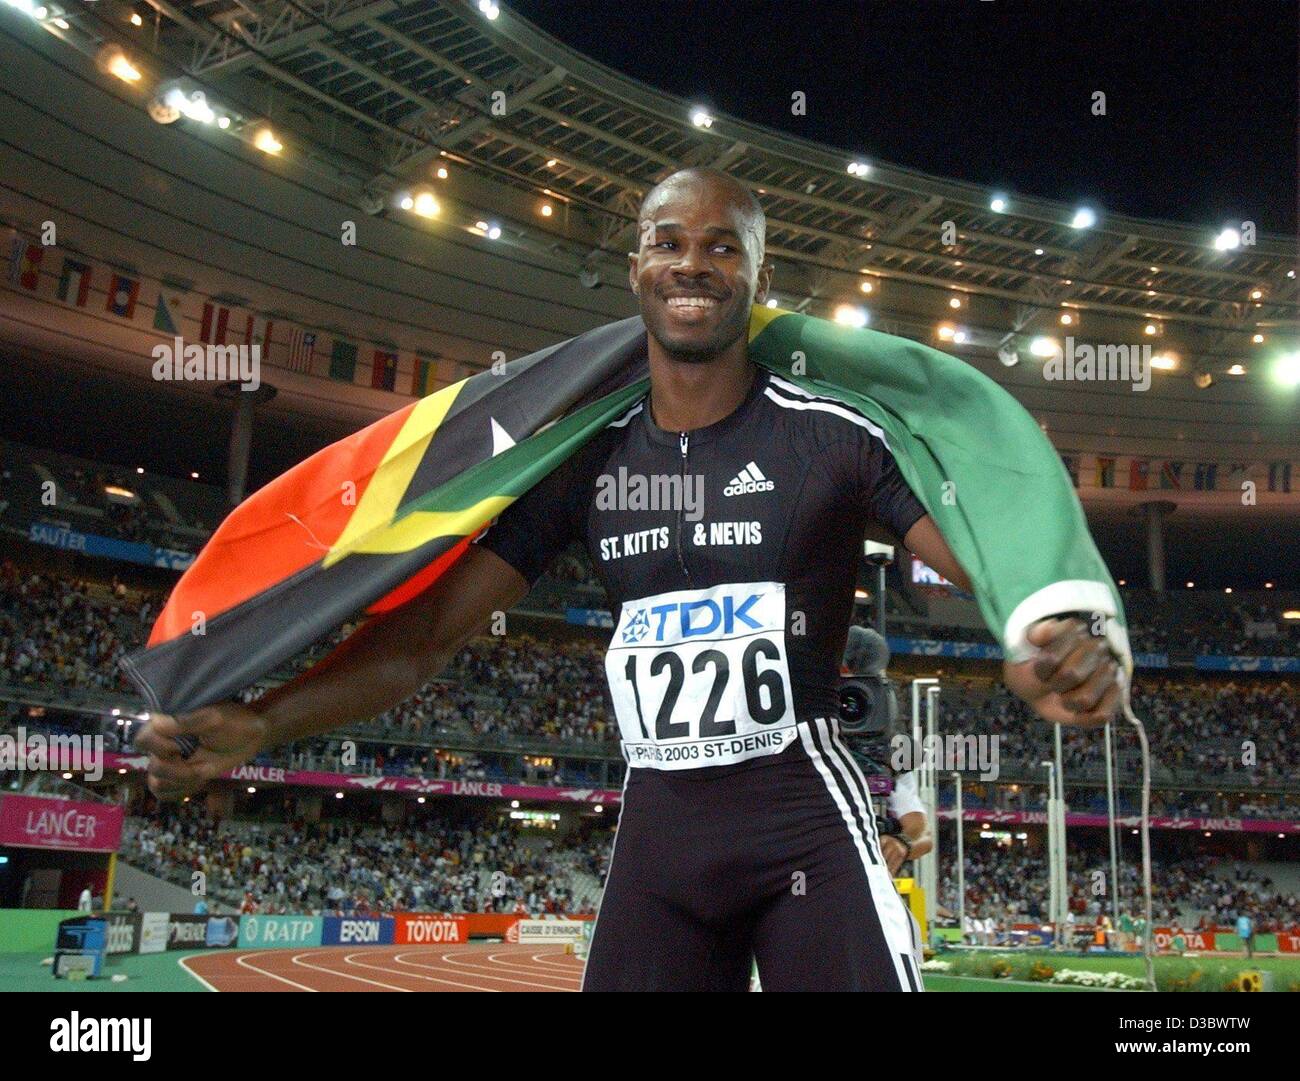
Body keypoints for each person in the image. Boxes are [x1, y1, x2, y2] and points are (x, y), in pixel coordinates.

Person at [135, 167, 1124, 992]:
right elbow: (423, 639)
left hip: (806, 835)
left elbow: (981, 555)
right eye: (668, 240)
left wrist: (1042, 629)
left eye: (722, 245)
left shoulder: (829, 438)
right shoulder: (582, 461)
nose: (692, 261)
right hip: (657, 849)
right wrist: (262, 723)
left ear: (758, 272)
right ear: (637, 266)